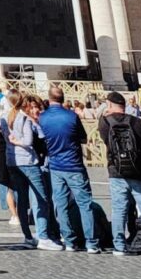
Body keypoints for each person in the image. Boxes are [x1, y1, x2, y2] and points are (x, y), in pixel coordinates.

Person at [96, 91, 141, 258]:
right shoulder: (137, 122)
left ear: (109, 104)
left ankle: (119, 247)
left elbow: (105, 139)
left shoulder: (105, 122)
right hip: (138, 172)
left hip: (116, 171)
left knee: (119, 210)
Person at [37, 87, 98, 255]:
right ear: (63, 98)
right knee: (85, 204)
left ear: (49, 98)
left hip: (55, 166)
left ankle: (70, 241)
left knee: (61, 205)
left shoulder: (43, 118)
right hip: (74, 165)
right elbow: (83, 138)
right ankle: (91, 242)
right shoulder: (71, 116)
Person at [6, 92, 56, 251]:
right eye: (32, 107)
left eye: (37, 107)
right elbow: (28, 141)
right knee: (41, 199)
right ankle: (43, 236)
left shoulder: (10, 117)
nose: (35, 110)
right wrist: (18, 142)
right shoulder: (26, 120)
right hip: (29, 162)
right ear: (25, 107)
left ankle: (28, 236)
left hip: (15, 162)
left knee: (23, 199)